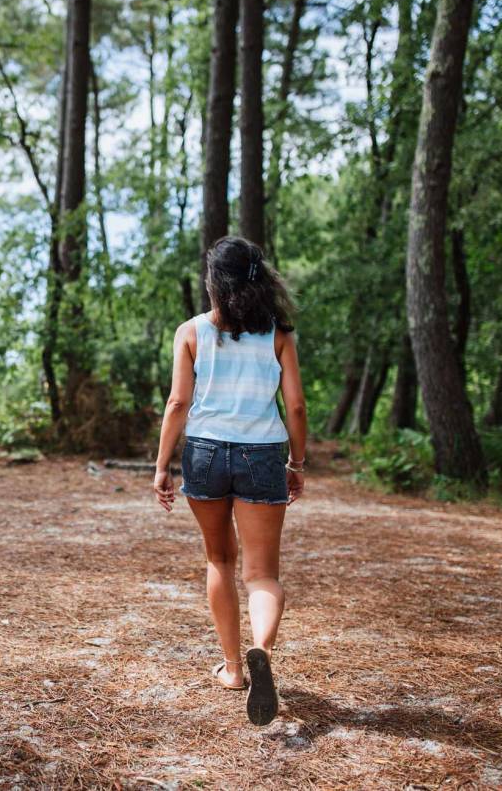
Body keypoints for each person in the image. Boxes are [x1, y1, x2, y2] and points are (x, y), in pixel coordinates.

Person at [153, 236, 307, 726]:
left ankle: (236, 669)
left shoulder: (192, 332)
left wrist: (162, 466)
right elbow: (296, 406)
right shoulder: (278, 334)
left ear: (214, 282)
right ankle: (261, 647)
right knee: (262, 573)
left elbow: (178, 403)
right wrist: (297, 463)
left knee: (219, 558)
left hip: (204, 452)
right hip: (263, 453)